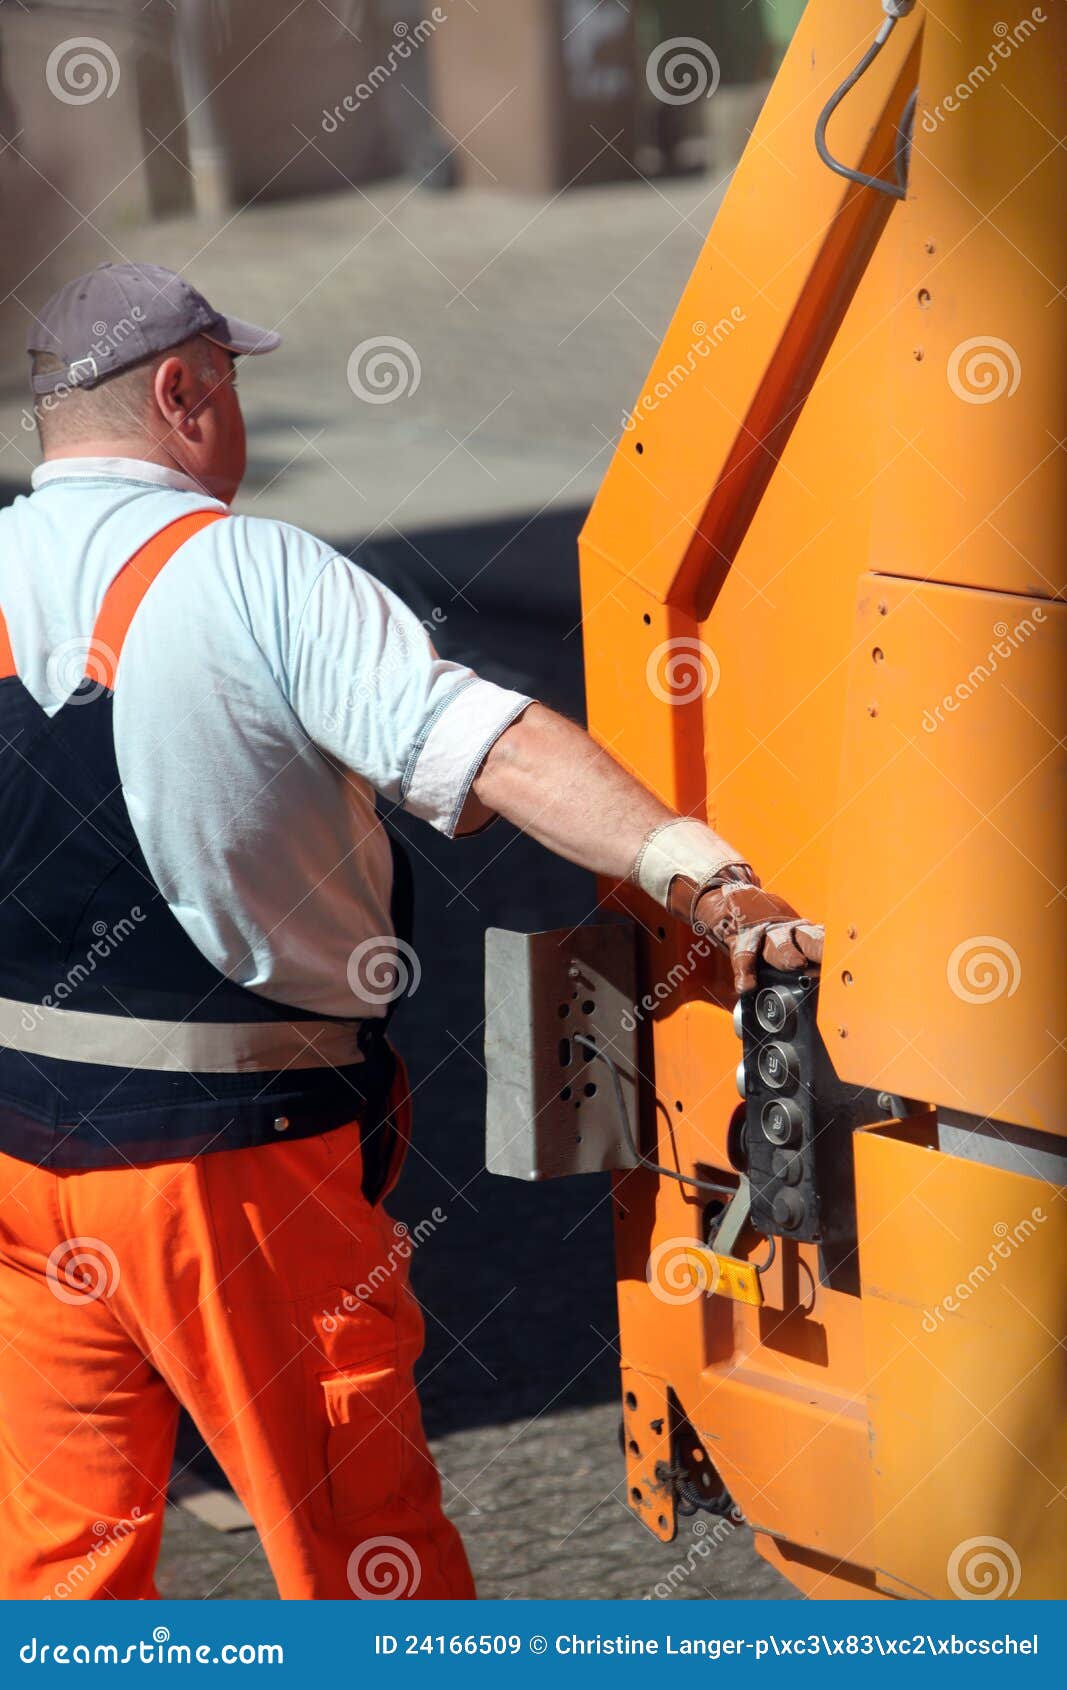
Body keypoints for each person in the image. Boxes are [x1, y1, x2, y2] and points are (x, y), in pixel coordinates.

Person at [0, 262, 822, 1600]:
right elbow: (494, 749)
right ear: (181, 393)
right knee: (357, 1549)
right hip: (234, 1173)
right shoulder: (256, 570)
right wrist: (701, 875)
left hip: (18, 1164)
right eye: (233, 382)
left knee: (60, 1562)